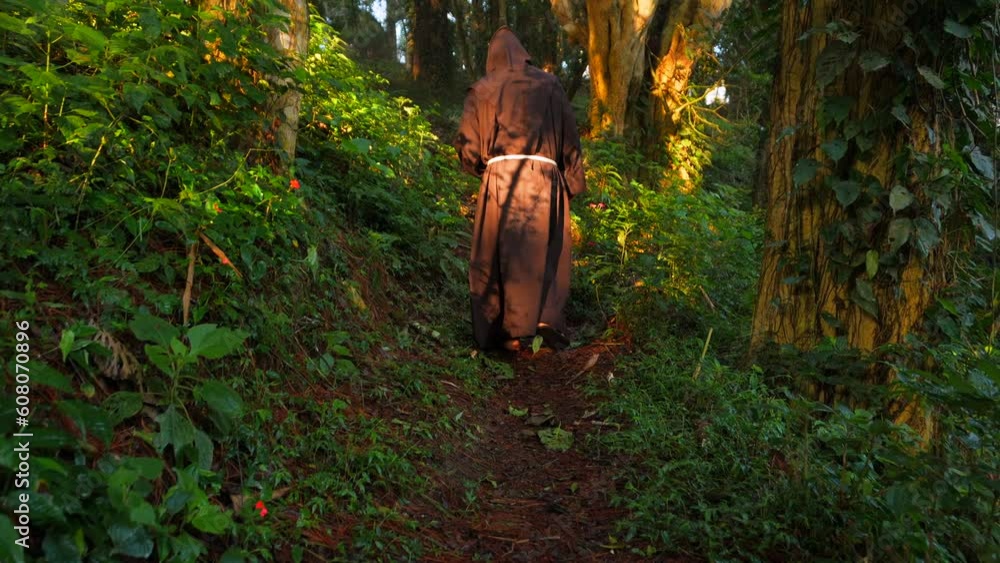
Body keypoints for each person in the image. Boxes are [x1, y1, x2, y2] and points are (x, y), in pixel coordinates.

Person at [453, 27, 586, 351]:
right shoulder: (551, 84)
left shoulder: (483, 89)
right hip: (545, 181)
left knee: (499, 254)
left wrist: (483, 170)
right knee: (546, 247)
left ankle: (505, 332)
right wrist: (571, 180)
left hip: (502, 180)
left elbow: (468, 147)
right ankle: (544, 318)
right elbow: (570, 137)